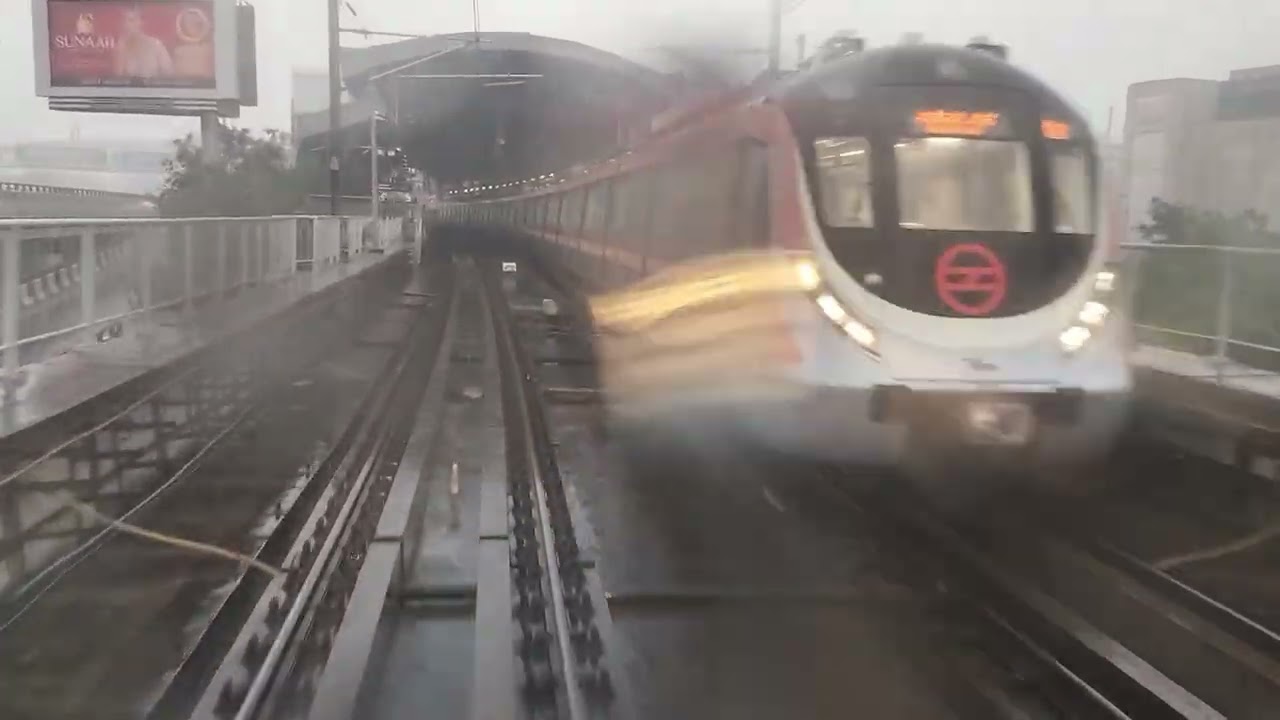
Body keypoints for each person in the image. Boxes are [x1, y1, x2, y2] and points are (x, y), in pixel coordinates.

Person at [113, 6, 173, 80]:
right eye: (124, 21)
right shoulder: (120, 48)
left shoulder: (156, 45)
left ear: (141, 22)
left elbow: (169, 74)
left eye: (132, 20)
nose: (127, 25)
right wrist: (120, 53)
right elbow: (118, 79)